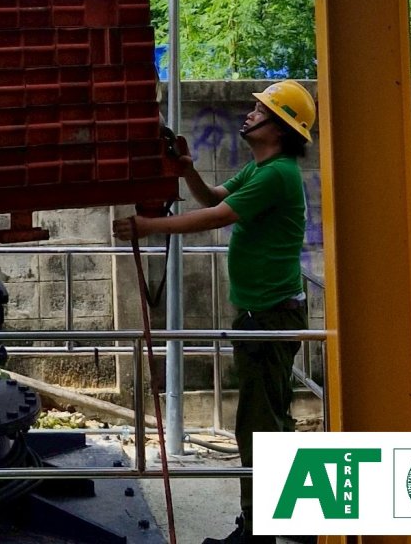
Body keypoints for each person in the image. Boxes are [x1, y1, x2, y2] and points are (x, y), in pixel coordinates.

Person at [113, 81, 315, 544]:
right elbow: (212, 198)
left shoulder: (277, 175)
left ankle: (258, 530)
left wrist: (147, 225)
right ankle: (293, 520)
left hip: (269, 318)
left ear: (280, 128)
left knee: (258, 426)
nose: (250, 114)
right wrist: (188, 171)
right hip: (264, 315)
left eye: (260, 111)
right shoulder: (260, 169)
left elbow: (216, 218)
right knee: (272, 419)